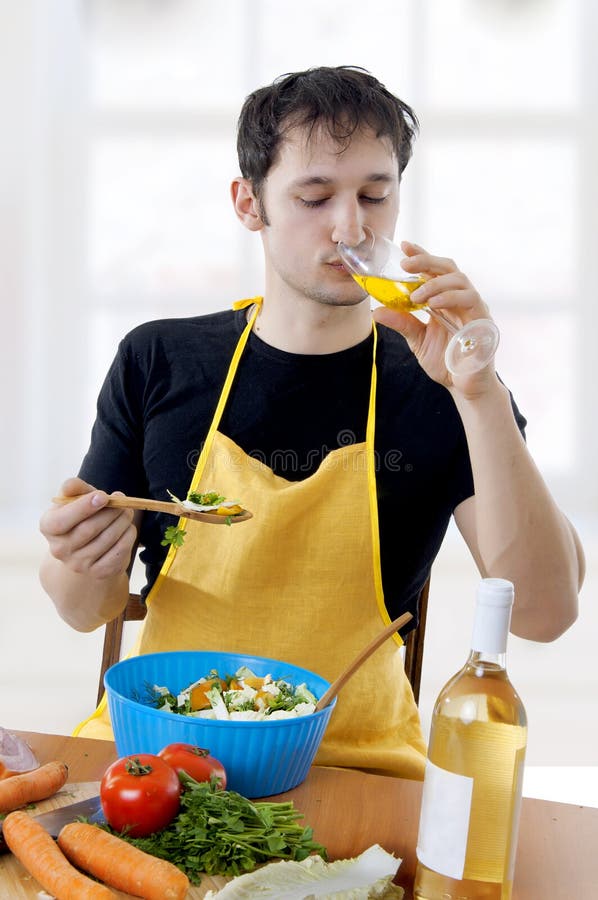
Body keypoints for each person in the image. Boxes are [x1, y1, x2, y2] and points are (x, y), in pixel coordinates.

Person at [39, 66, 584, 779]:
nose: (351, 226)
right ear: (249, 203)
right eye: (315, 196)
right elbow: (85, 609)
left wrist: (479, 394)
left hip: (357, 768)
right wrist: (84, 561)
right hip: (160, 758)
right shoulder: (159, 359)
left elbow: (545, 614)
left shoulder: (443, 382)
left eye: (375, 195)